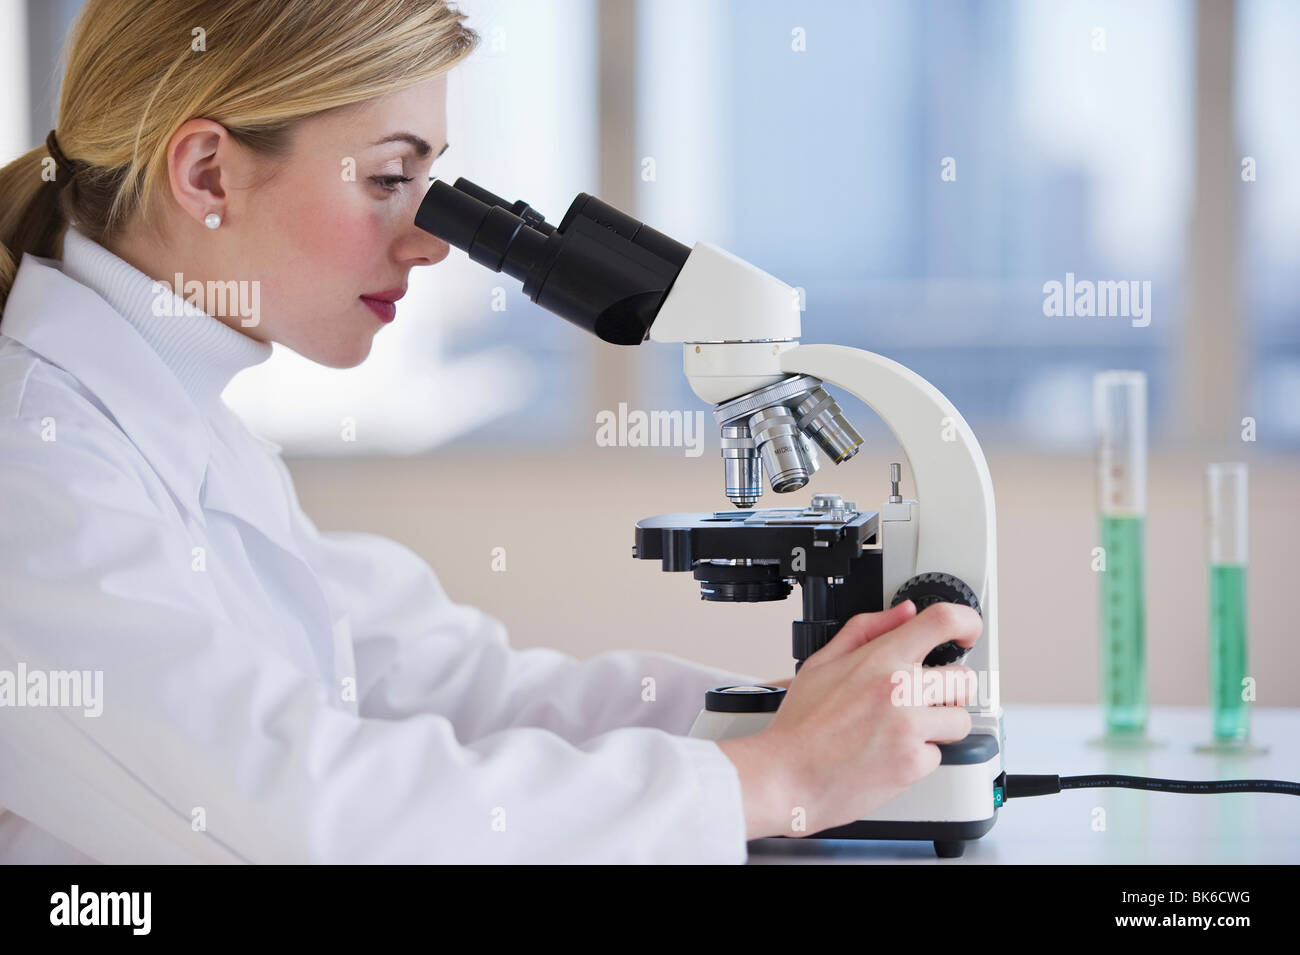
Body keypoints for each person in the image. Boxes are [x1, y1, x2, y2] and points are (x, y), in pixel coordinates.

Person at [0, 0, 980, 864]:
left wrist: (743, 718)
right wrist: (764, 781)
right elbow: (306, 812)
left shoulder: (175, 423)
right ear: (207, 172)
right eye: (389, 178)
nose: (429, 242)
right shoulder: (36, 467)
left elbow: (431, 681)